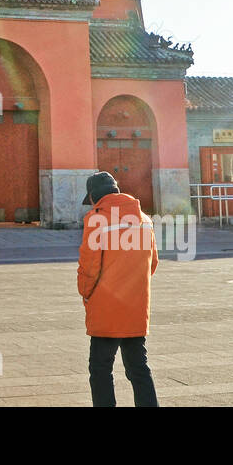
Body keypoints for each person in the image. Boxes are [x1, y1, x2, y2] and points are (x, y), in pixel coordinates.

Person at [77, 171, 159, 408]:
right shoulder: (144, 219)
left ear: (94, 196)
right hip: (135, 306)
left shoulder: (96, 219)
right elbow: (152, 263)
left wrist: (86, 294)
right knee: (138, 368)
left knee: (101, 369)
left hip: (105, 307)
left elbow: (89, 267)